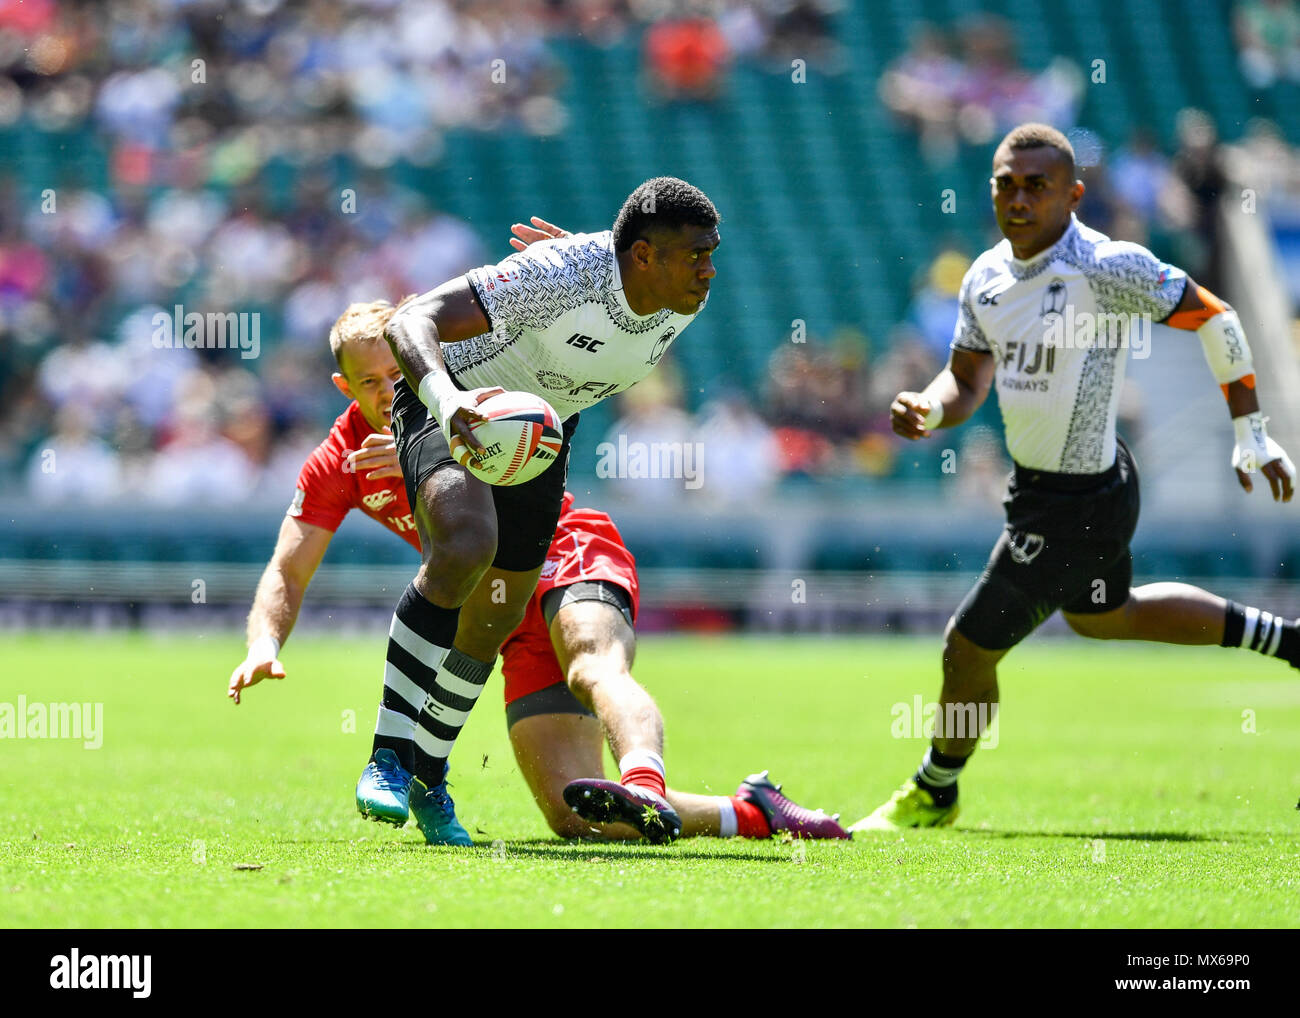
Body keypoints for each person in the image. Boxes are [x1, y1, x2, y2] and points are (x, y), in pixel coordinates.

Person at [228, 298, 846, 844]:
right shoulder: (339, 460)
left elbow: (536, 334)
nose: (392, 391)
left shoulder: (465, 388)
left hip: (564, 550)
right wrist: (264, 641)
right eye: (372, 383)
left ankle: (644, 777)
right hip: (494, 609)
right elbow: (288, 566)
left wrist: (432, 456)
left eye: (398, 371)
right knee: (575, 815)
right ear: (346, 389)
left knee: (592, 664)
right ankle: (754, 812)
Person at [854, 123, 1299, 832]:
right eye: (1007, 184)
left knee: (967, 643)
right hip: (1047, 488)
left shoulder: (1104, 266)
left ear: (1073, 194)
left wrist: (1251, 433)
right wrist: (931, 408)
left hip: (1080, 498)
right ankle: (1288, 640)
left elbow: (1217, 317)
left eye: (1038, 186)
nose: (1019, 198)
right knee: (1105, 618)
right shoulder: (984, 276)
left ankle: (936, 788)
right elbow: (967, 380)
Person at [356, 177, 721, 843]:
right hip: (453, 399)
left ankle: (426, 776)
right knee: (466, 545)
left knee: (494, 612)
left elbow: (598, 326)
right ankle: (386, 754)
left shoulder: (678, 297)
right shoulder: (561, 275)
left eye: (711, 252)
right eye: (696, 254)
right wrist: (445, 401)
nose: (709, 268)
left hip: (541, 433)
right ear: (644, 256)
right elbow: (410, 322)